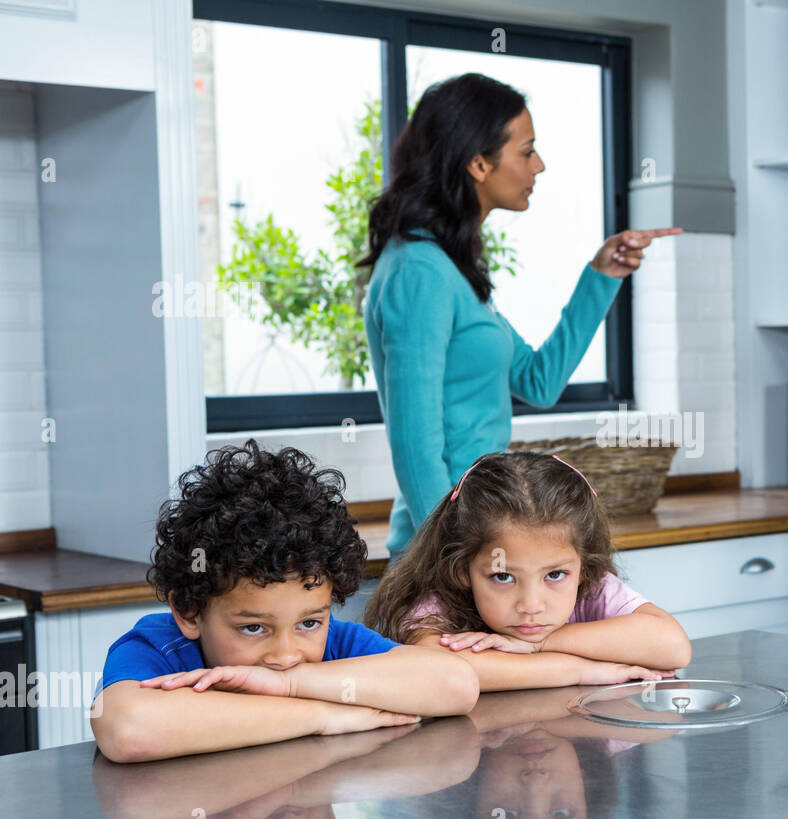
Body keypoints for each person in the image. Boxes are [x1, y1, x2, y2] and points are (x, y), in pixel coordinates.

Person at [357, 72, 681, 556]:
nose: (540, 165)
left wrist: (602, 275)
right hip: (447, 554)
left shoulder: (450, 269)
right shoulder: (418, 271)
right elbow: (415, 444)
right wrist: (450, 564)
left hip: (484, 541)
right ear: (479, 163)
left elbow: (539, 382)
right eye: (527, 151)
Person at [90, 440, 479, 763]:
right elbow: (129, 731)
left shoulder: (337, 645)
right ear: (189, 612)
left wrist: (291, 685)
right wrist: (323, 715)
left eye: (309, 622)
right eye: (253, 627)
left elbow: (456, 684)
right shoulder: (160, 647)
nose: (285, 654)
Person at [364, 451, 692, 690]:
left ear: (583, 565)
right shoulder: (435, 604)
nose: (531, 604)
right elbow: (440, 670)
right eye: (503, 576)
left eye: (554, 575)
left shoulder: (589, 585)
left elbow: (673, 647)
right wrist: (579, 670)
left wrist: (540, 644)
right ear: (462, 569)